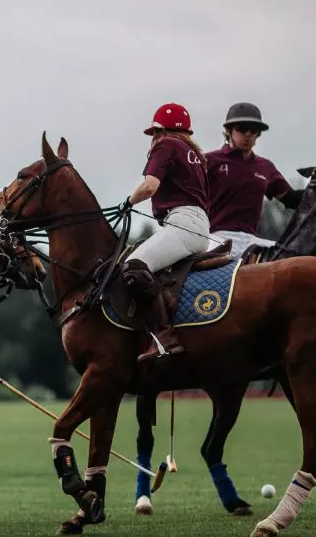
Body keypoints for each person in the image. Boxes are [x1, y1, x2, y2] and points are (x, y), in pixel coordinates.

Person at [120, 103, 211, 362]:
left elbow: (150, 186)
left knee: (134, 266)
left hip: (182, 223)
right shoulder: (196, 156)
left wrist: (127, 202)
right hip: (200, 227)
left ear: (162, 130)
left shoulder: (166, 145)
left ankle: (164, 336)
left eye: (154, 133)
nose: (153, 139)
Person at [206, 102, 304, 257]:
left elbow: (291, 199)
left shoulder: (265, 166)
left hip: (251, 240)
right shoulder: (209, 161)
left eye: (254, 130)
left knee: (294, 258)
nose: (248, 134)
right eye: (242, 128)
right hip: (215, 237)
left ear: (259, 134)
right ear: (228, 130)